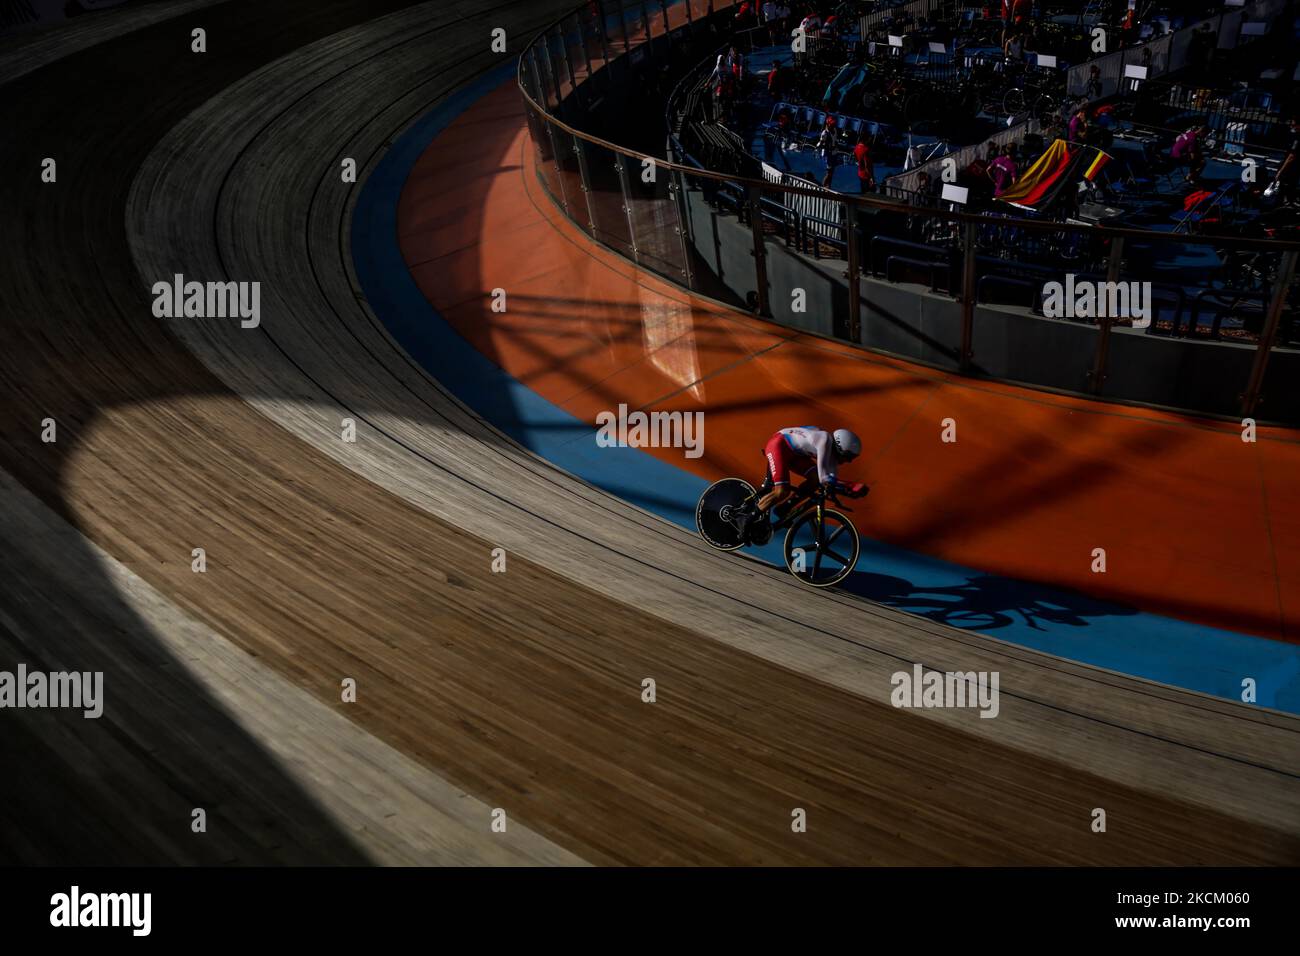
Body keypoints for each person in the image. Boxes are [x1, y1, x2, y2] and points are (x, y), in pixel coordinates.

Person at [738, 426, 867, 536]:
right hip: (778, 445)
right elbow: (825, 477)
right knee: (782, 491)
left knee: (815, 480)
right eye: (848, 457)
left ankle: (784, 508)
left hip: (795, 454)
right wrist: (851, 486)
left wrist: (847, 491)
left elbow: (829, 480)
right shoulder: (824, 440)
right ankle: (746, 518)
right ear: (840, 448)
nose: (848, 461)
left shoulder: (833, 455)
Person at [816, 115, 839, 188]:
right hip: (828, 154)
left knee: (832, 172)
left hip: (834, 153)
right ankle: (822, 187)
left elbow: (835, 140)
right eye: (832, 124)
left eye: (834, 124)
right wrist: (821, 146)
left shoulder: (835, 130)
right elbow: (821, 143)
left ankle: (828, 186)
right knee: (829, 173)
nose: (833, 125)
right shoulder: (824, 133)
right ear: (828, 124)